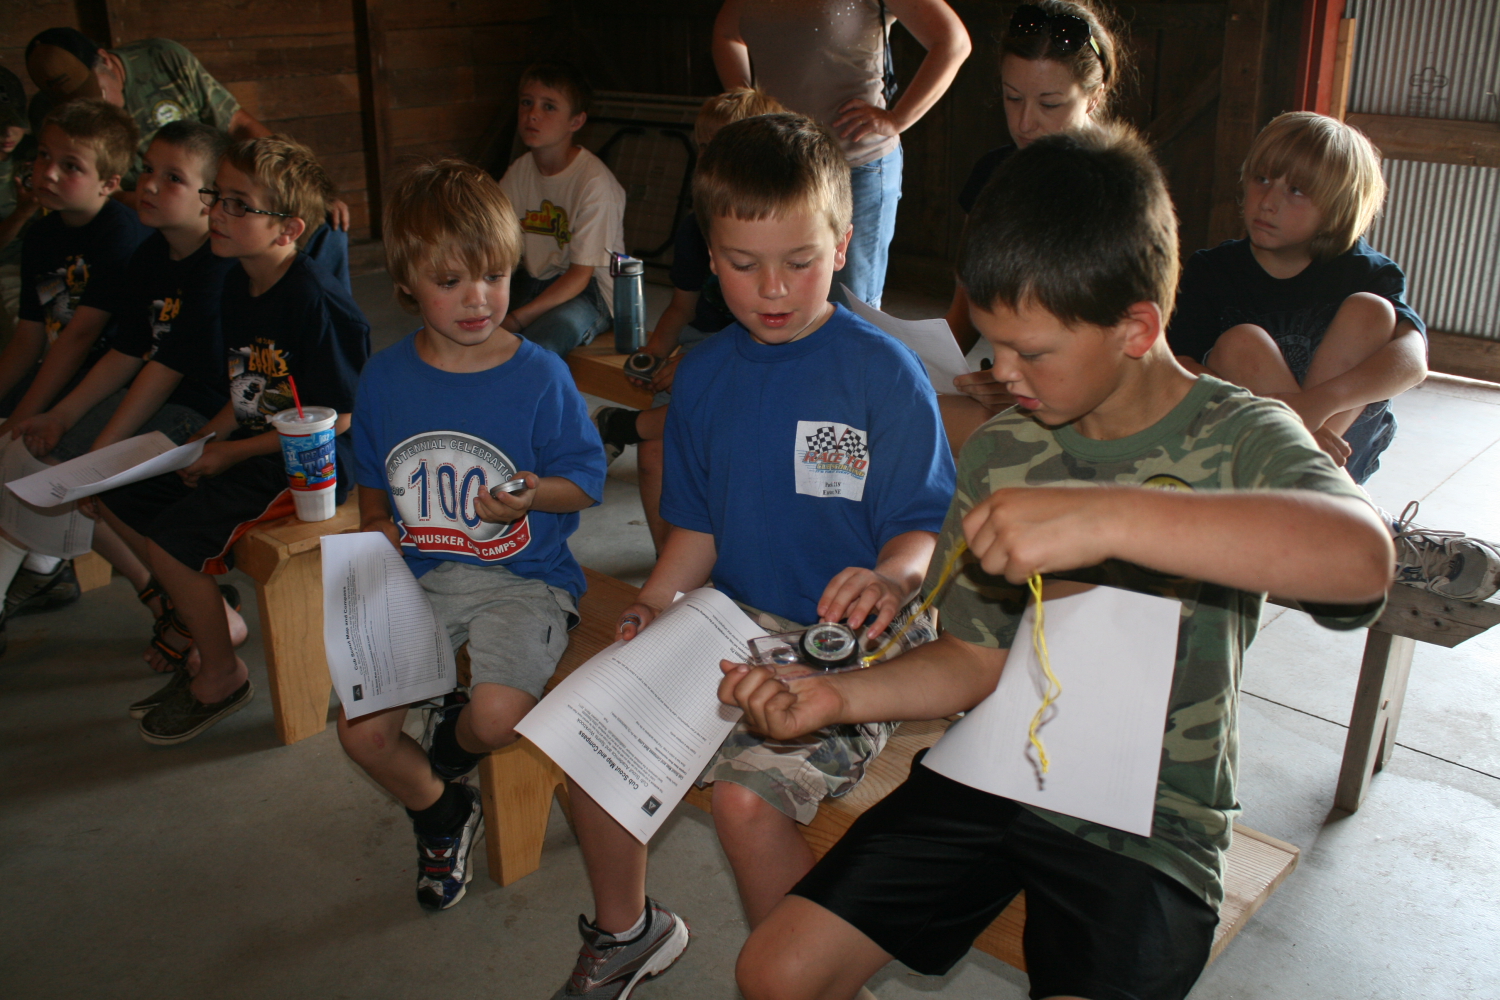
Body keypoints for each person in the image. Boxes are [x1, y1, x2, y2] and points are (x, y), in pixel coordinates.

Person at [717, 123, 1395, 1000]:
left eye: (1031, 352)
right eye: (993, 345)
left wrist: (1112, 518)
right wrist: (835, 698)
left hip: (1153, 817)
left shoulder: (1238, 437)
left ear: (1136, 327)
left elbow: (1363, 561)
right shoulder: (1006, 448)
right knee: (774, 972)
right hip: (995, 772)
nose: (1002, 373)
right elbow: (973, 658)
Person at [551, 113, 955, 1000]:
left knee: (743, 797)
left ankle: (799, 982)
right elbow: (696, 527)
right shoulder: (703, 377)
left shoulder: (884, 374)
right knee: (588, 738)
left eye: (800, 261)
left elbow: (925, 525)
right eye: (742, 263)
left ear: (844, 243)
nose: (772, 288)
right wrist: (656, 601)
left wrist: (892, 574)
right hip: (729, 619)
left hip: (850, 634)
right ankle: (627, 932)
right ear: (708, 252)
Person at [338, 159, 607, 911]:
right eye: (450, 281)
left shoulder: (541, 375)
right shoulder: (386, 378)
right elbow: (371, 476)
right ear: (407, 286)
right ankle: (440, 808)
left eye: (492, 276)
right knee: (360, 736)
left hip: (525, 579)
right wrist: (376, 525)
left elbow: (584, 479)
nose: (477, 299)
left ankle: (449, 748)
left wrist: (529, 496)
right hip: (419, 579)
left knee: (496, 716)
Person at [94, 135, 369, 744]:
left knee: (171, 540)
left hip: (309, 466)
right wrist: (203, 442)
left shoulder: (316, 299)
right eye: (218, 197)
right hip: (254, 445)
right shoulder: (238, 282)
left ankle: (221, 673)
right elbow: (251, 391)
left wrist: (230, 453)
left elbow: (338, 418)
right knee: (129, 493)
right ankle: (204, 619)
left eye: (239, 205)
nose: (217, 212)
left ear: (287, 228)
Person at [0, 121, 238, 655]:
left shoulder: (216, 267)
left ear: (210, 201)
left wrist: (100, 453)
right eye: (149, 169)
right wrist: (60, 417)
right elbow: (126, 352)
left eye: (172, 177)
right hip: (165, 399)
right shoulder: (150, 255)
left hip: (205, 414)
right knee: (41, 453)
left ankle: (197, 609)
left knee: (102, 481)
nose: (149, 185)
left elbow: (166, 370)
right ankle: (176, 600)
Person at [1167, 111, 1427, 486]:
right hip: (1251, 438)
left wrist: (1317, 405)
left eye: (1296, 191)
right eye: (1262, 179)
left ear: (1338, 206)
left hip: (1341, 440)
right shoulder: (1213, 270)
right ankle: (1329, 493)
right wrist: (1284, 423)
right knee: (1241, 342)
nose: (1268, 201)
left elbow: (1414, 361)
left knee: (1371, 311)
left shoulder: (1366, 272)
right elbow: (1178, 365)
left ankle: (1316, 484)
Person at [591, 86, 786, 554]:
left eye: (722, 148)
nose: (707, 160)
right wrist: (656, 350)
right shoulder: (693, 226)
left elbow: (778, 324)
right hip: (705, 339)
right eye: (703, 147)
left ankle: (627, 427)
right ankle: (667, 562)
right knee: (659, 452)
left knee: (707, 418)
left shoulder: (784, 224)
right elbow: (682, 306)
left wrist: (701, 367)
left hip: (763, 349)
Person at [940, 0, 1124, 453]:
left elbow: (1125, 352)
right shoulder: (992, 175)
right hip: (1004, 382)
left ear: (1094, 98)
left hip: (1086, 403)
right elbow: (963, 311)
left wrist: (1031, 383)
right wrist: (926, 362)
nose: (1025, 123)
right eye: (1012, 97)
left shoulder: (1119, 192)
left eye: (1049, 103)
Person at [24, 28, 353, 278]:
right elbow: (95, 193)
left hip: (222, 191)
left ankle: (320, 318)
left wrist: (308, 189)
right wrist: (161, 199)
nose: (99, 105)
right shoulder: (55, 116)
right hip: (156, 208)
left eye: (96, 91)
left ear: (106, 61)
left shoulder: (162, 60)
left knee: (324, 223)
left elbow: (238, 124)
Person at [712, 0, 971, 308]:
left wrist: (897, 118)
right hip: (777, 164)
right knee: (782, 300)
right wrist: (747, 106)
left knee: (851, 305)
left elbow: (953, 41)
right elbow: (726, 34)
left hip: (856, 166)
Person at [497, 62, 624, 357]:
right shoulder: (520, 171)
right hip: (535, 278)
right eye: (526, 102)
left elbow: (580, 275)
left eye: (549, 106)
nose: (533, 114)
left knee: (539, 346)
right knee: (474, 326)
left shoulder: (595, 184)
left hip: (590, 291)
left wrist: (517, 318)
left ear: (576, 122)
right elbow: (495, 239)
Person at [1, 65, 39, 347]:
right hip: (8, 267)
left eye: (13, 121)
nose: (7, 134)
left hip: (48, 259)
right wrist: (24, 210)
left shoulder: (33, 148)